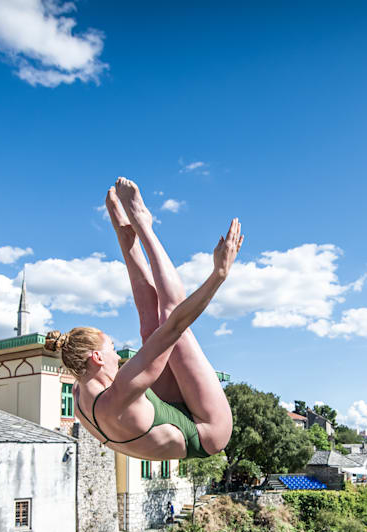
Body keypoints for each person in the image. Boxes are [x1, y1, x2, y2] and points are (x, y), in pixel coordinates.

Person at [47, 178, 242, 461]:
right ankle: (143, 224)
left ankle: (125, 235)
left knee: (150, 328)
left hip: (166, 413)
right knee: (168, 316)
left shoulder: (79, 396)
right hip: (208, 432)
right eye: (112, 349)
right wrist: (219, 275)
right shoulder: (119, 392)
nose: (118, 356)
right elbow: (176, 325)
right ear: (96, 358)